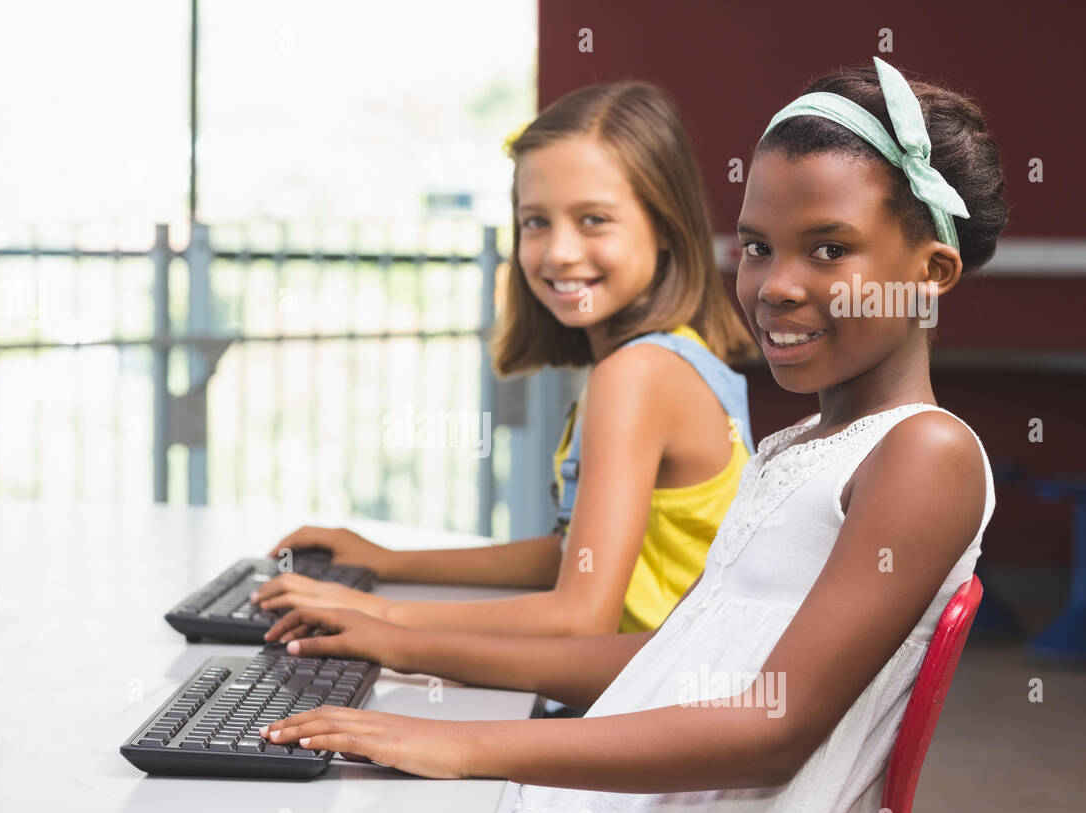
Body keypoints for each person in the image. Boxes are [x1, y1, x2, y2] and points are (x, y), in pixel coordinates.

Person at [257, 57, 1007, 813]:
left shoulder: (925, 452)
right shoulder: (796, 449)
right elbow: (669, 654)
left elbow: (772, 727)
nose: (776, 286)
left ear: (929, 276)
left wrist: (464, 744)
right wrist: (397, 646)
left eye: (828, 249)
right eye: (758, 247)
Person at [253, 81, 756, 638]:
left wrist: (378, 614)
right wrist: (388, 560)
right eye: (535, 222)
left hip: (633, 709)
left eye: (593, 219)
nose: (559, 252)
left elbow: (578, 620)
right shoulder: (671, 356)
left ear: (665, 226)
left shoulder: (636, 376)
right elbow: (575, 557)